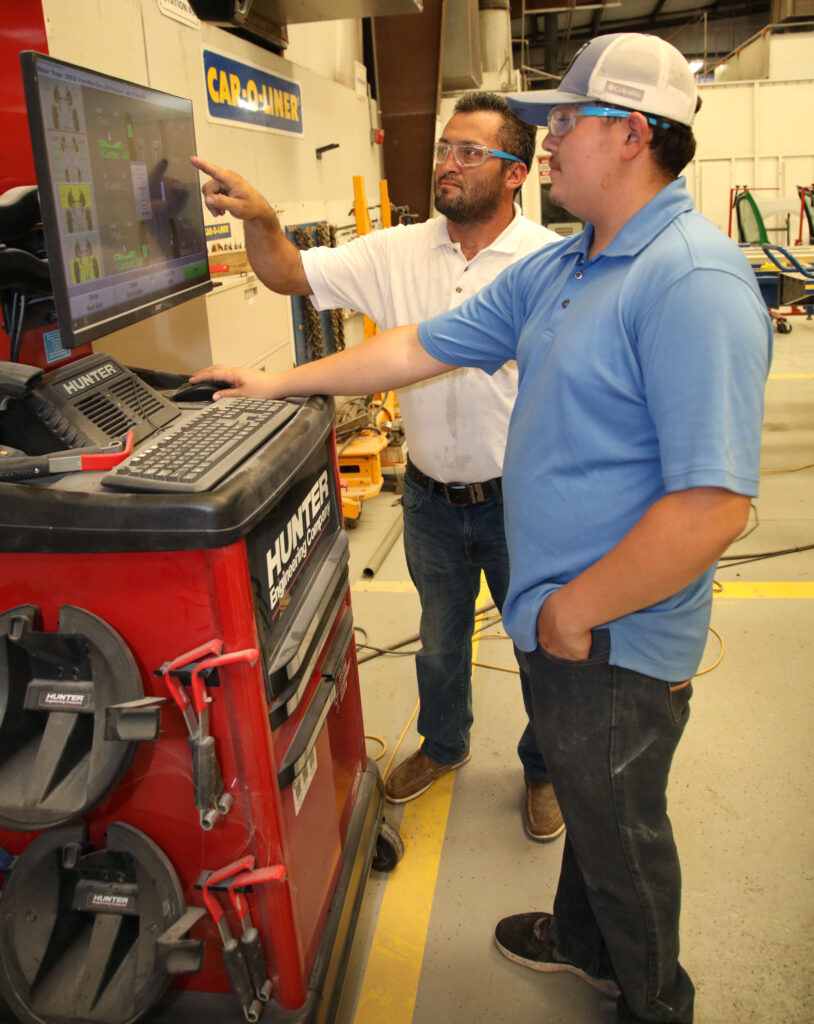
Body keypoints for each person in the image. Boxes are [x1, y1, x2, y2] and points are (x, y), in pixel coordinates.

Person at [192, 33, 773, 1022]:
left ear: (631, 135)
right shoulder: (570, 267)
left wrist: (573, 612)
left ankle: (654, 1000)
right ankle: (582, 944)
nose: (547, 144)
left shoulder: (690, 281)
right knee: (592, 801)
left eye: (566, 122)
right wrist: (274, 383)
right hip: (566, 614)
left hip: (615, 631)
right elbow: (416, 346)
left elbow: (712, 505)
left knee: (621, 832)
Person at [191, 92, 565, 839]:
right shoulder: (397, 251)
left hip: (523, 502)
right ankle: (445, 744)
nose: (447, 164)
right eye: (445, 148)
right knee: (440, 640)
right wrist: (262, 221)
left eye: (469, 153)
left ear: (515, 173)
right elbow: (289, 273)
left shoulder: (548, 262)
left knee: (539, 647)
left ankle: (544, 767)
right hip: (428, 497)